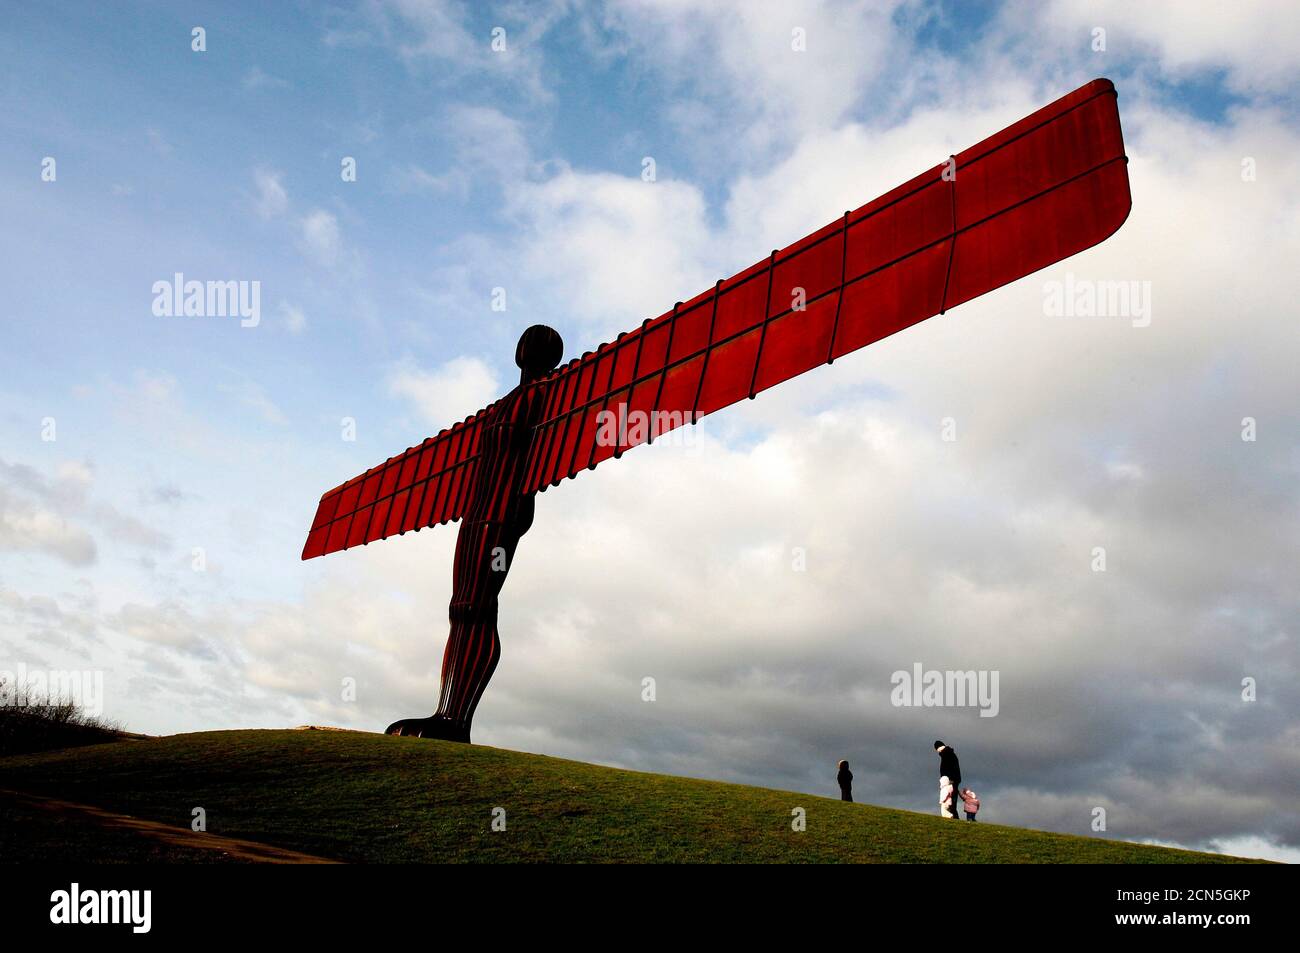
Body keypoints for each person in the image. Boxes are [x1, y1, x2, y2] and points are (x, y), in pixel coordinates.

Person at [934, 740, 961, 819]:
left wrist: (950, 779)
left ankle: (953, 817)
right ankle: (953, 817)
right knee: (951, 800)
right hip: (953, 780)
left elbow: (951, 768)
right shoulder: (948, 753)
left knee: (950, 801)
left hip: (951, 781)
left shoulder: (946, 754)